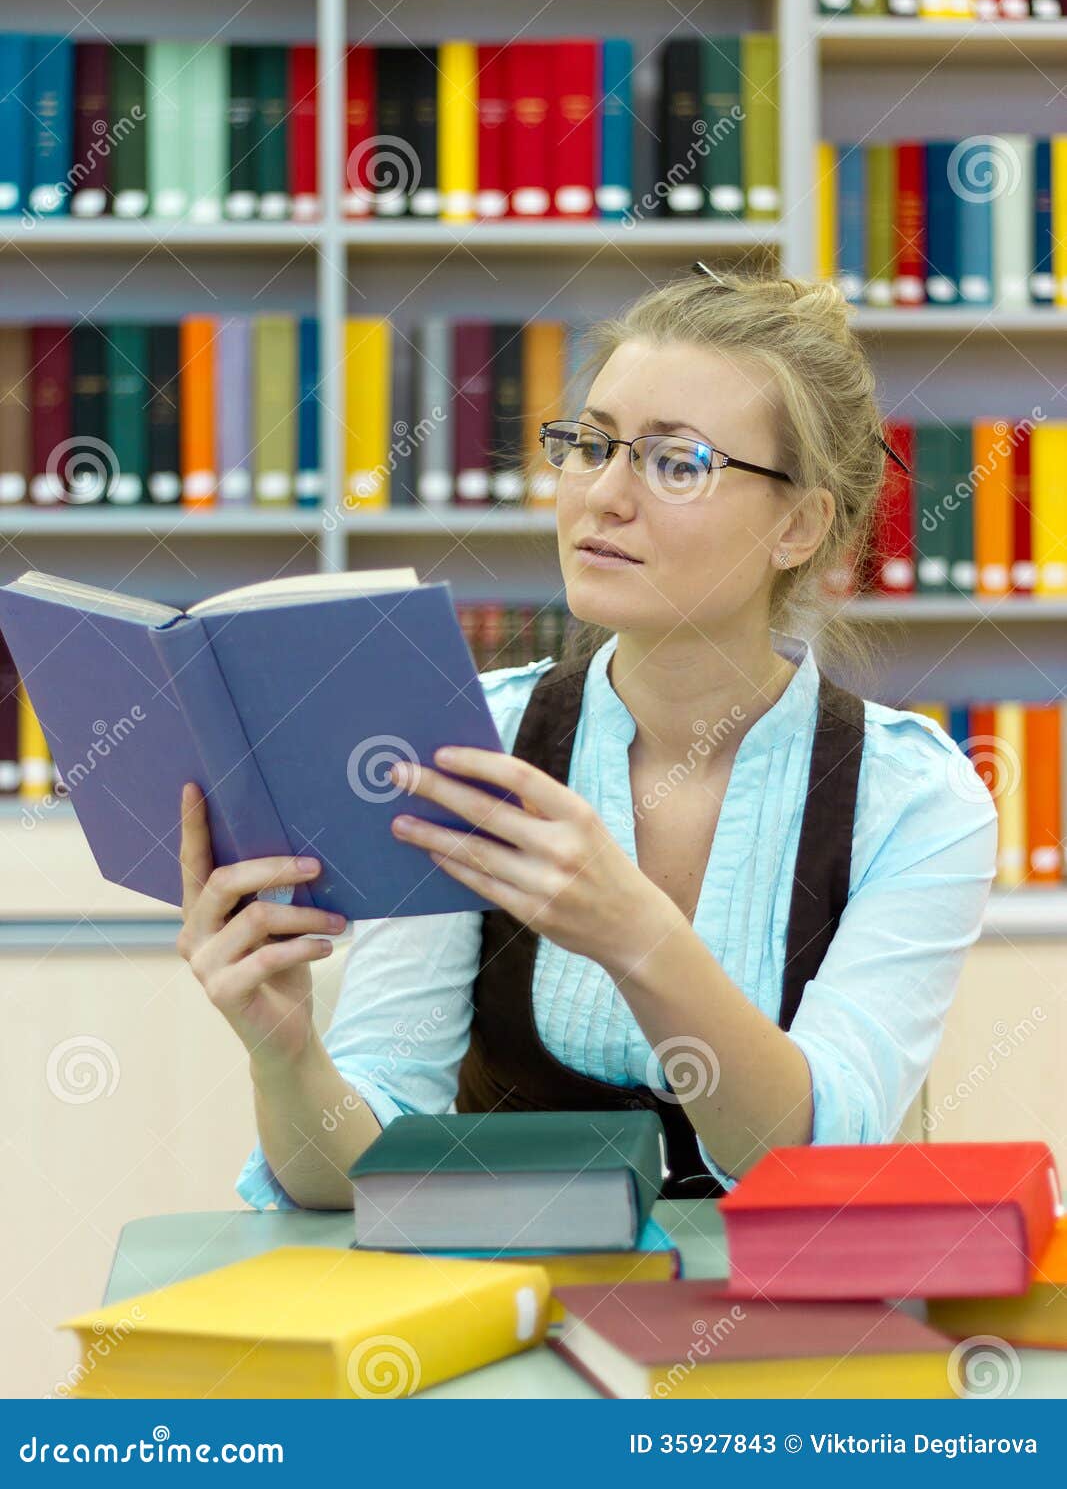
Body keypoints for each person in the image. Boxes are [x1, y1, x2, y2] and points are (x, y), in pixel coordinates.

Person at [177, 267, 998, 1210]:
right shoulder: (469, 743)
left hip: (783, 1301)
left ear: (799, 526)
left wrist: (635, 935)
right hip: (509, 1285)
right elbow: (355, 1175)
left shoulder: (915, 800)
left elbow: (812, 1161)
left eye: (676, 463)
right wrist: (285, 1055)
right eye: (591, 445)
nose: (603, 495)